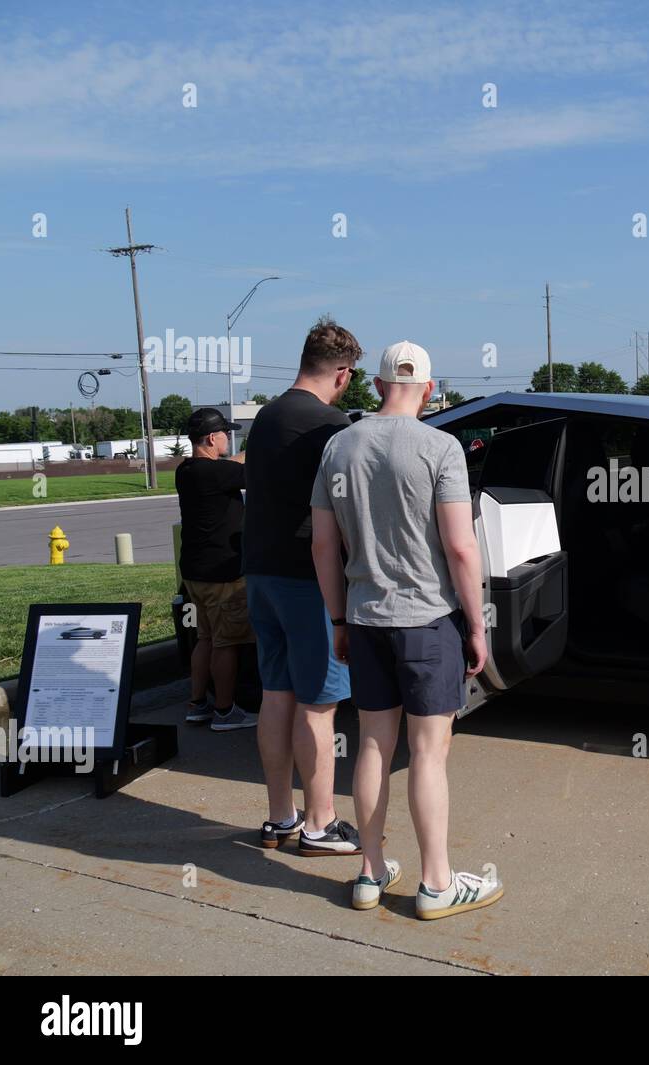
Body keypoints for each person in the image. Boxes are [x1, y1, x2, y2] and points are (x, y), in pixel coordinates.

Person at [311, 341, 502, 919]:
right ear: (430, 388)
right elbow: (461, 548)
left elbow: (324, 544)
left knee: (371, 745)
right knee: (427, 755)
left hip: (366, 620)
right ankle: (437, 884)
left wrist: (339, 618)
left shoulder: (338, 448)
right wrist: (476, 625)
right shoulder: (441, 447)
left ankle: (369, 873)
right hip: (427, 622)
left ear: (374, 386)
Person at [244, 316, 365, 854]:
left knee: (276, 695)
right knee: (318, 704)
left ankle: (280, 818)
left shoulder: (265, 418)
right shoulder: (329, 426)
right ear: (341, 373)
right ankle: (320, 824)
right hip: (307, 578)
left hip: (261, 573)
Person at [175, 408, 256, 732]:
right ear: (212, 437)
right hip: (222, 573)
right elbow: (253, 471)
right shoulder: (216, 474)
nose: (228, 438)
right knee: (227, 643)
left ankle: (198, 703)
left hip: (194, 572)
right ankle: (225, 711)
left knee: (205, 638)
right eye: (224, 433)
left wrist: (243, 455)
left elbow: (231, 464)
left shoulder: (188, 470)